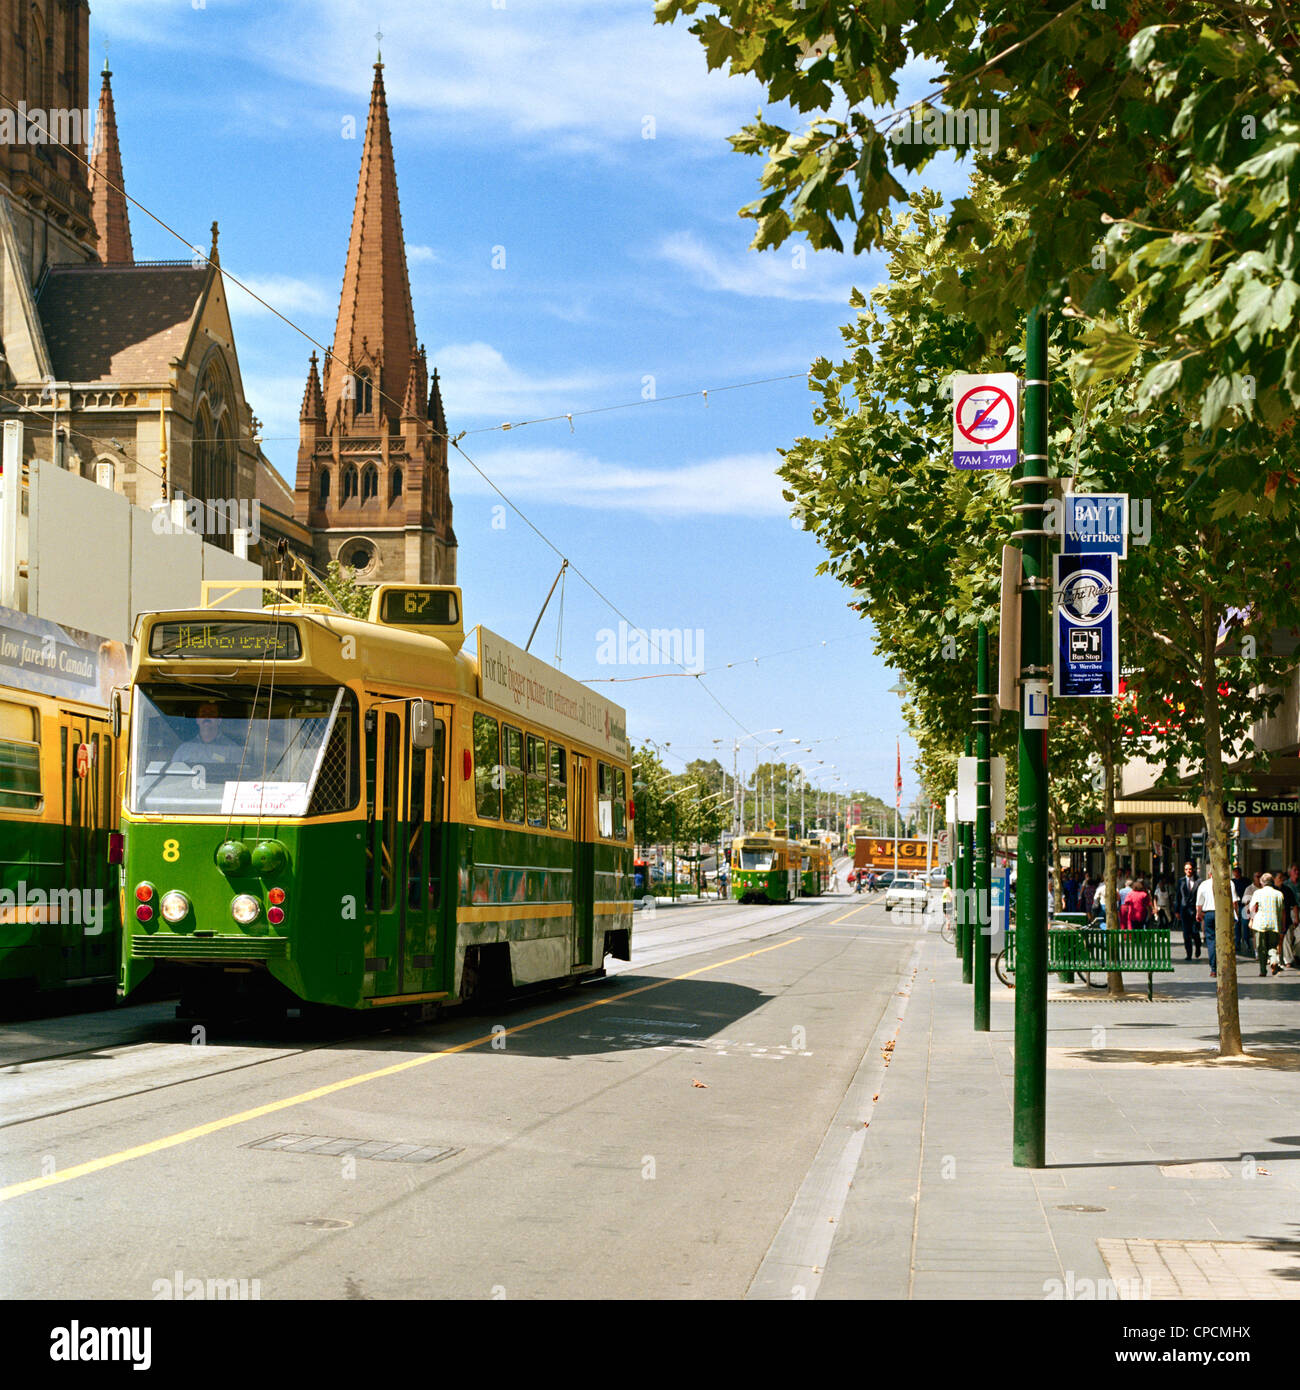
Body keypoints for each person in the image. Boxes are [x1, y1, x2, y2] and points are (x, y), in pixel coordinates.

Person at [172, 702, 243, 770]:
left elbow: (241, 775)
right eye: (203, 714)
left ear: (219, 720)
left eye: (212, 714)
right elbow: (173, 774)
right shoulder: (184, 749)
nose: (207, 717)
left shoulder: (233, 749)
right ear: (197, 720)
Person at [1196, 865, 1237, 978]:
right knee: (1225, 939)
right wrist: (1234, 916)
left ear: (1210, 874)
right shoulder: (1229, 883)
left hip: (1209, 914)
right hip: (1224, 913)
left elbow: (1199, 904)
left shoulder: (1204, 884)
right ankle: (1225, 966)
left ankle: (1213, 968)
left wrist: (1198, 914)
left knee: (1211, 940)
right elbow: (1234, 902)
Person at [1250, 872, 1286, 976]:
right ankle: (1274, 961)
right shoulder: (1279, 894)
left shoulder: (1257, 893)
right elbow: (1283, 911)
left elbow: (1252, 908)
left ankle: (1262, 970)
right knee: (1273, 946)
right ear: (1272, 882)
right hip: (1274, 924)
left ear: (1262, 883)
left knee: (1261, 948)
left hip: (1260, 924)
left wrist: (1251, 920)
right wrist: (1282, 925)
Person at [1175, 860, 1201, 960]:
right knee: (1186, 933)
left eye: (1190, 869)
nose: (1188, 871)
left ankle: (1198, 946)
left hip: (1195, 910)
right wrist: (1177, 910)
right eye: (1186, 869)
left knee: (1195, 932)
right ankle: (1188, 953)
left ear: (1193, 869)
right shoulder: (1181, 881)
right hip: (1184, 910)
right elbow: (1178, 896)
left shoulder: (1198, 881)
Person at [1239, 871, 1261, 958]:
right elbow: (1245, 900)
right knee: (1246, 926)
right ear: (1254, 878)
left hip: (1261, 913)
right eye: (1257, 876)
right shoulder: (1249, 888)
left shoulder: (1264, 888)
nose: (1259, 878)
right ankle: (1247, 942)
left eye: (1260, 876)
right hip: (1250, 912)